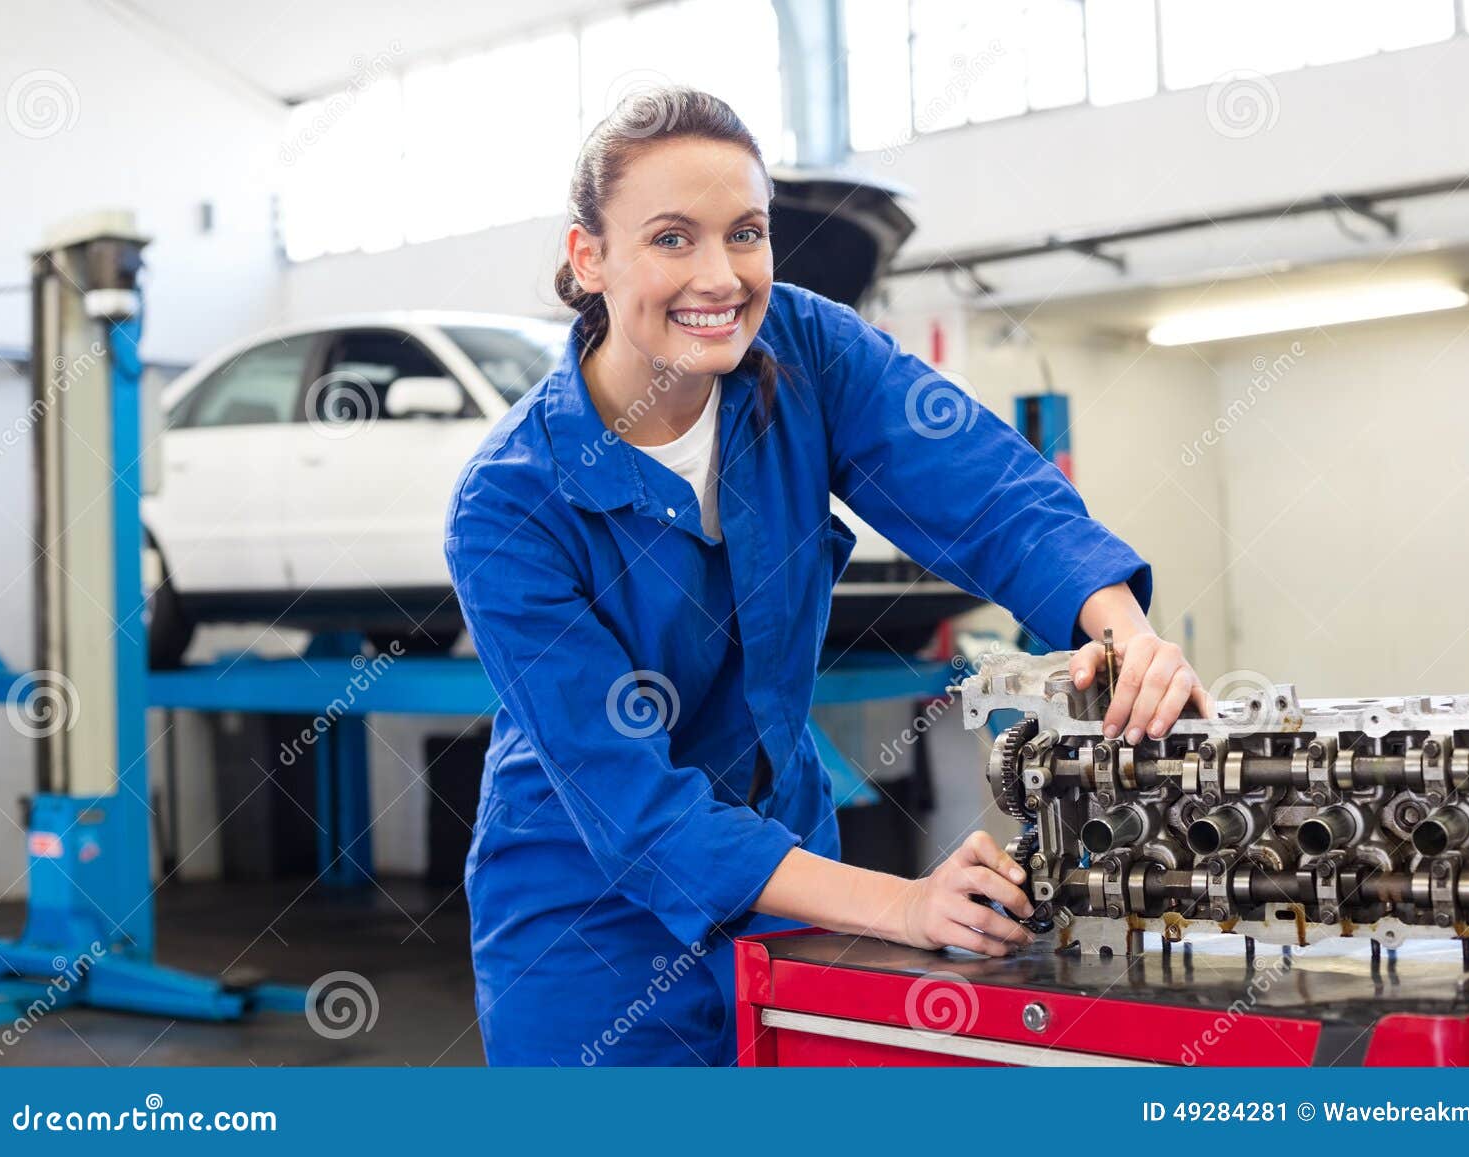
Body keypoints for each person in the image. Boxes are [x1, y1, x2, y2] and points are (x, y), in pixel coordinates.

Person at [444, 87, 1209, 1066]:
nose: (719, 276)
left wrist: (1120, 629)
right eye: (672, 238)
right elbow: (632, 806)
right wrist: (904, 904)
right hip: (588, 926)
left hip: (793, 874)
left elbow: (984, 487)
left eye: (746, 233)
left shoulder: (807, 351)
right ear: (588, 257)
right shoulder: (509, 504)